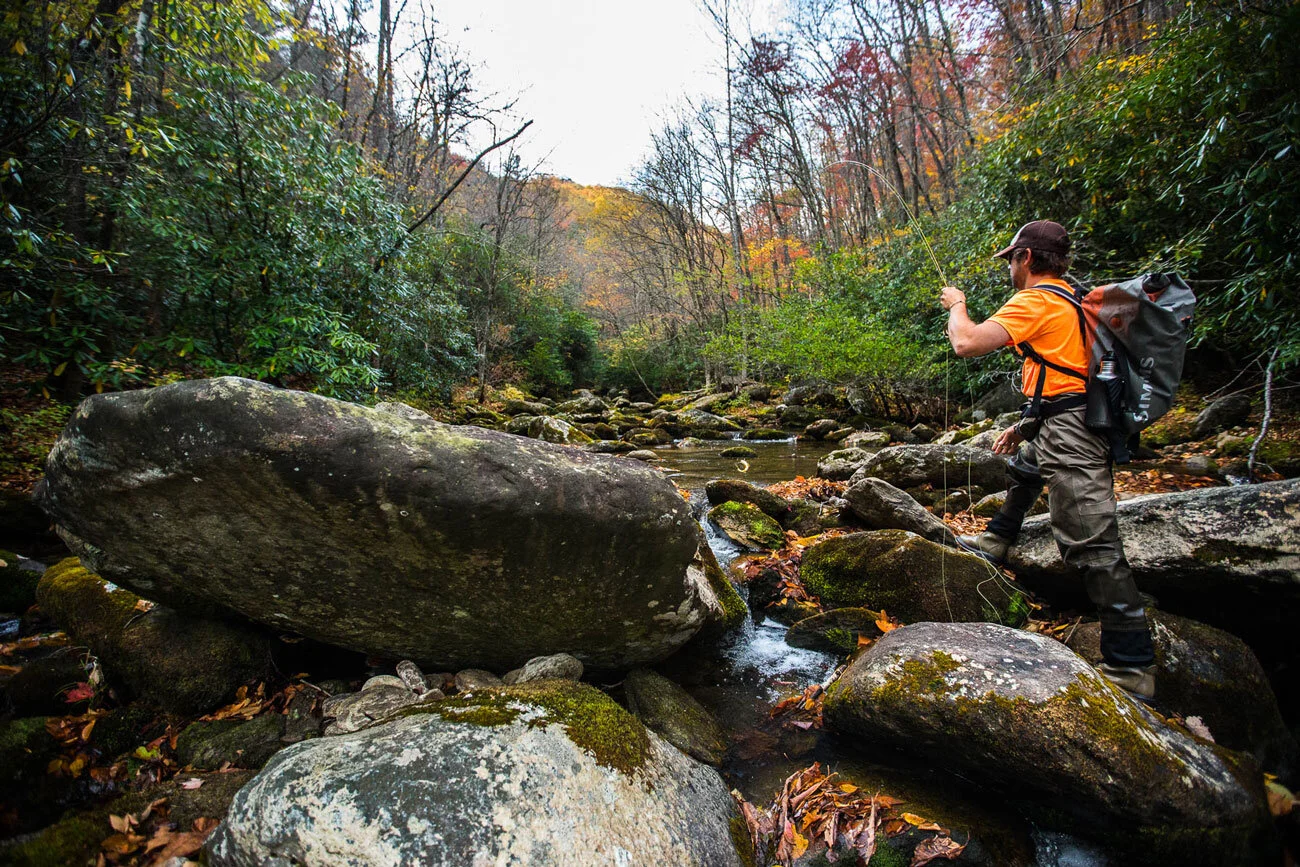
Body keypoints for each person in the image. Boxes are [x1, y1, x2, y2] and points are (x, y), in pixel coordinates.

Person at [938, 220, 1157, 702]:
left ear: (1029, 258)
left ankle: (1132, 664)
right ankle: (997, 538)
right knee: (1025, 466)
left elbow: (966, 343)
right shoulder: (1075, 299)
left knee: (1092, 542)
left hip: (1074, 432)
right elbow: (1066, 372)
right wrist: (1025, 426)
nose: (1009, 269)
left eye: (1012, 259)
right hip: (1068, 418)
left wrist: (957, 306)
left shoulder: (1037, 300)